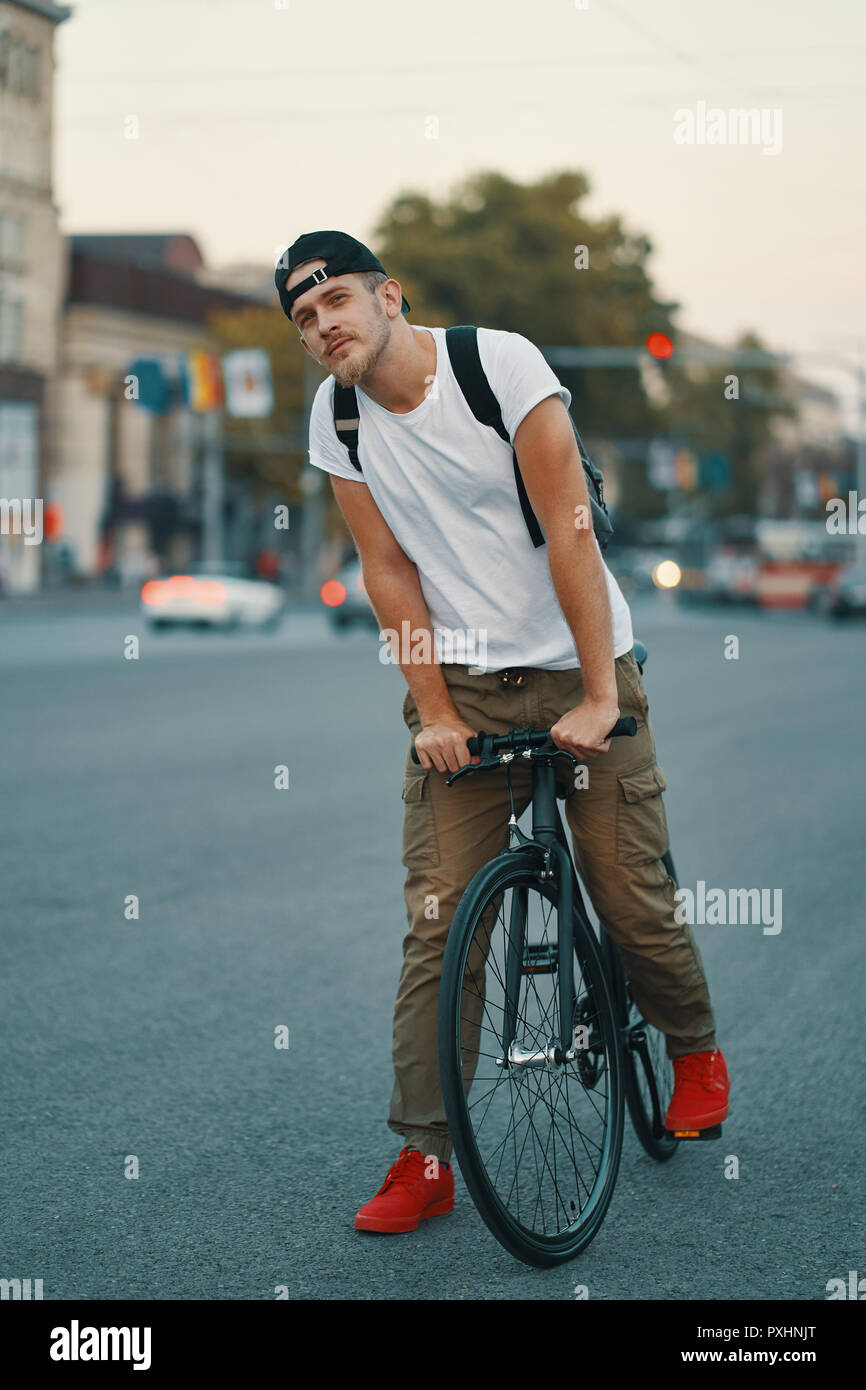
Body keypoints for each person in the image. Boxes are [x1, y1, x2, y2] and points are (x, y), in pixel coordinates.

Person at [275, 230, 731, 1235]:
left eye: (336, 300)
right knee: (437, 927)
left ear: (388, 295)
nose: (323, 327)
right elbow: (386, 568)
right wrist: (433, 711)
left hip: (579, 658)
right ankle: (424, 1155)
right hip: (469, 691)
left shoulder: (496, 364)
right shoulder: (338, 415)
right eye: (304, 318)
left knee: (627, 889)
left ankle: (692, 1044)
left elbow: (568, 521)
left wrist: (602, 692)